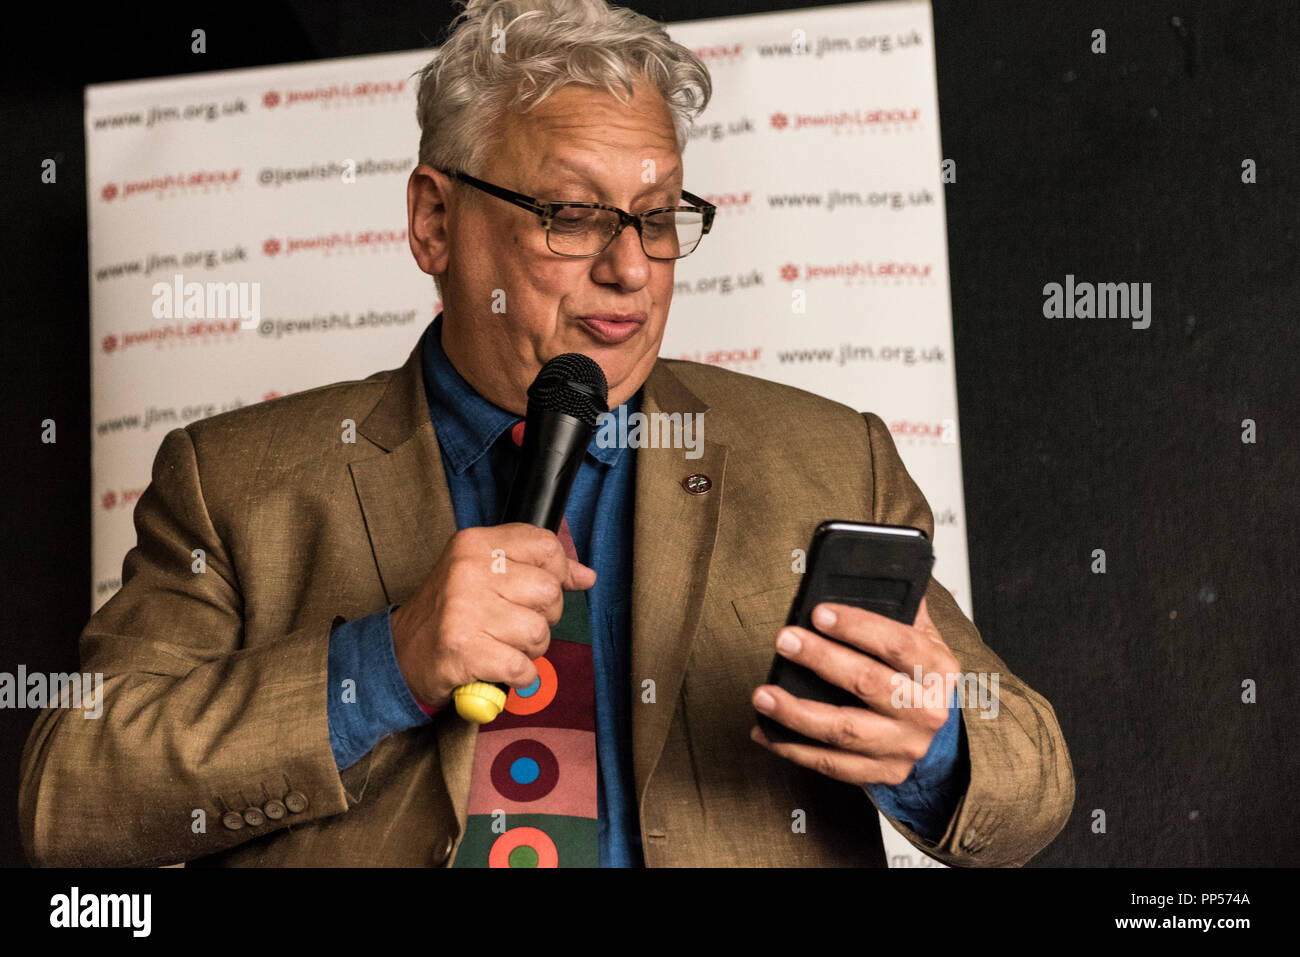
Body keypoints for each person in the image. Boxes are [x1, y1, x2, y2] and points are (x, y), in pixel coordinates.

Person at [19, 0, 1073, 867]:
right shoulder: (234, 482)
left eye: (657, 219)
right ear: (435, 221)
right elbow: (70, 797)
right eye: (570, 216)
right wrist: (379, 666)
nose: (628, 268)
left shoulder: (824, 462)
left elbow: (1030, 793)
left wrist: (932, 746)